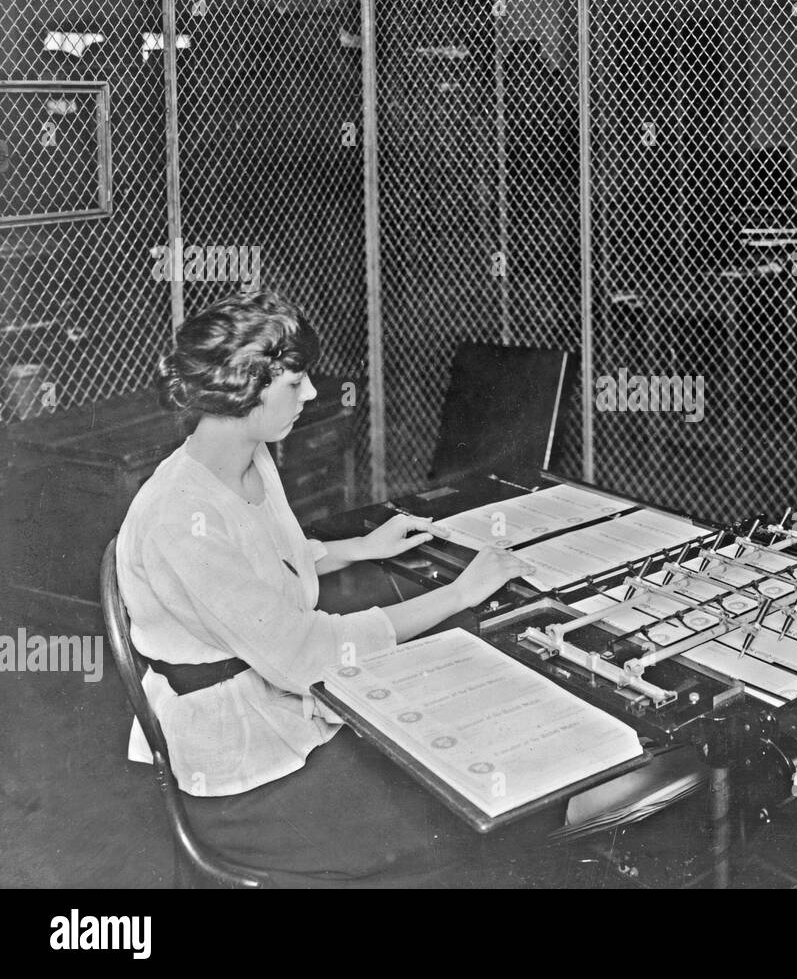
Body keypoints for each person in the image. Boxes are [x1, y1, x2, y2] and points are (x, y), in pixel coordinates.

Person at [116, 291, 533, 886]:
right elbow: (307, 653)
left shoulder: (246, 456)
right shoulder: (178, 516)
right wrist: (461, 592)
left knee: (460, 764)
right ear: (243, 390)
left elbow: (264, 568)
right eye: (295, 383)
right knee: (466, 818)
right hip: (239, 779)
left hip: (278, 716)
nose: (312, 394)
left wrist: (361, 548)